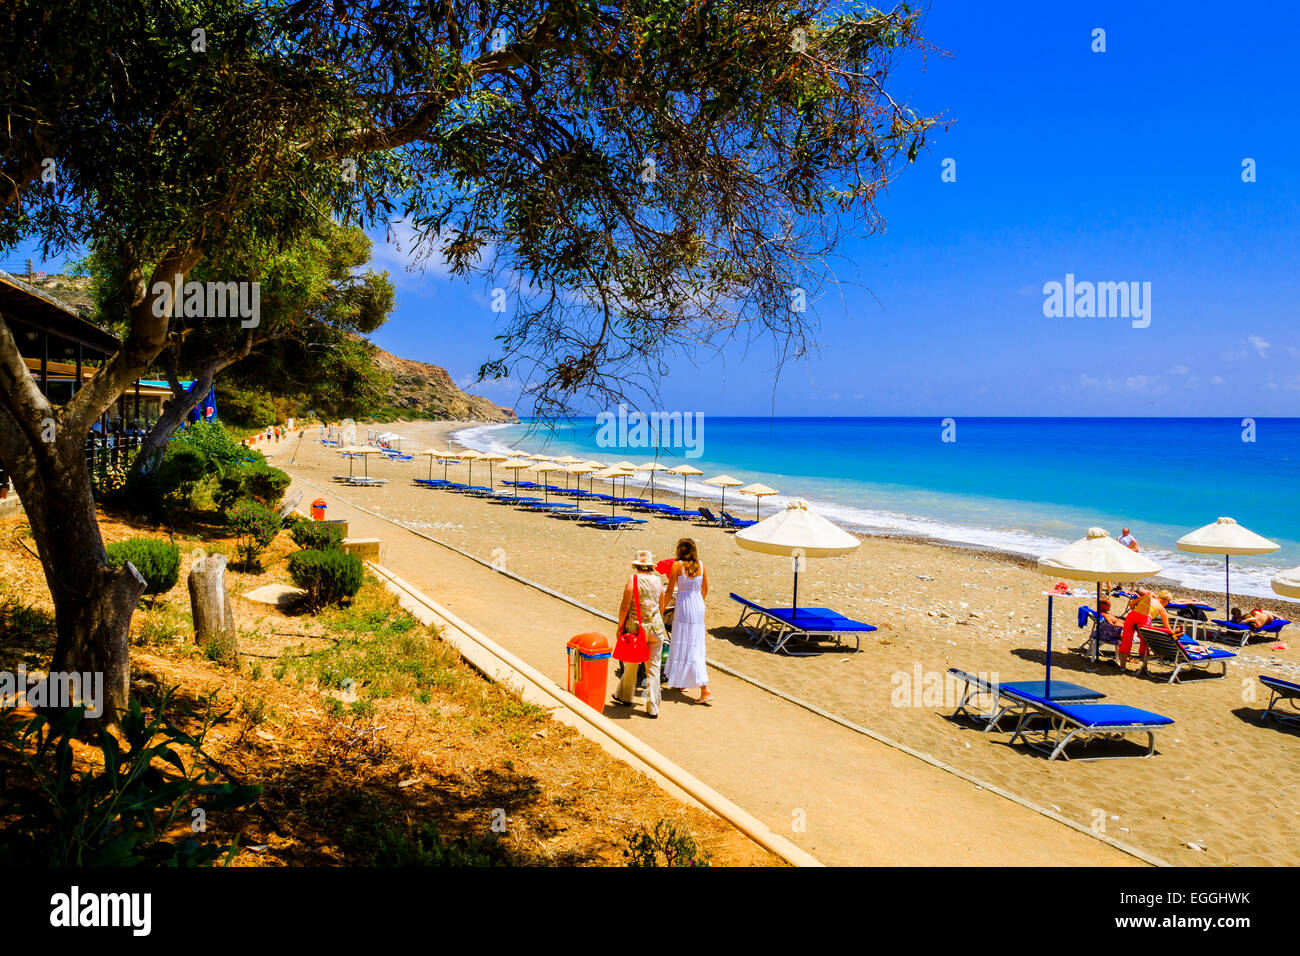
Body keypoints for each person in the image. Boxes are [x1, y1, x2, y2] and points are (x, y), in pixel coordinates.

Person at [612, 550, 667, 717]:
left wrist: (620, 626)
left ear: (637, 565)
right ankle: (653, 707)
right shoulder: (658, 581)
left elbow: (624, 606)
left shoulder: (633, 580)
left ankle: (625, 695)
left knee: (632, 663)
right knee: (654, 668)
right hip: (656, 627)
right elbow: (661, 605)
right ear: (650, 566)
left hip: (637, 628)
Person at [663, 538, 711, 703]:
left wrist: (662, 608)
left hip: (683, 606)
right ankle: (682, 681)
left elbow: (669, 590)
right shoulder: (701, 565)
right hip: (697, 605)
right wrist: (699, 602)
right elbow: (705, 588)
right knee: (694, 643)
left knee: (683, 643)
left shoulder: (677, 565)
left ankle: (705, 688)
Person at [1118, 588, 1174, 672]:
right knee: (1144, 642)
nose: (1168, 604)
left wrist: (1136, 610)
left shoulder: (1147, 597)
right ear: (1166, 600)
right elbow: (1167, 626)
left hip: (1132, 616)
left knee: (1126, 640)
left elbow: (1131, 604)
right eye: (1168, 602)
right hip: (1145, 619)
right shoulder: (1162, 609)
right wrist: (1174, 634)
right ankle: (1144, 667)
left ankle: (1122, 666)